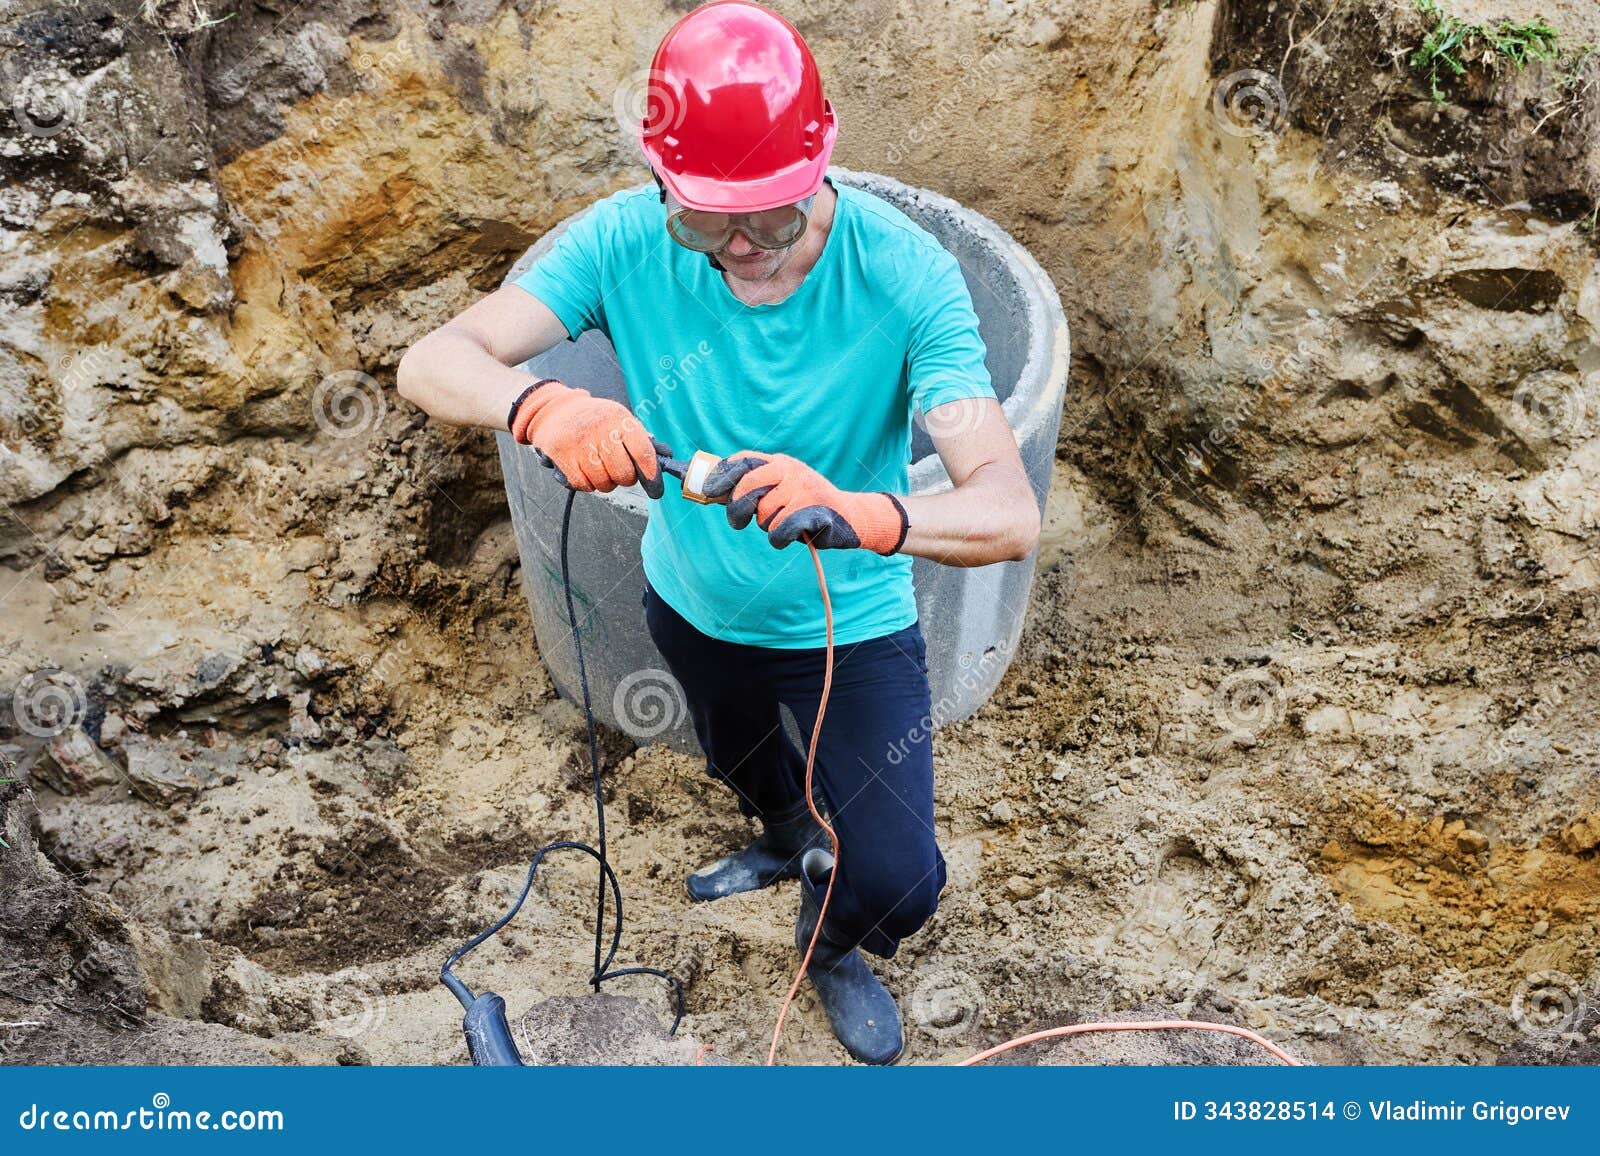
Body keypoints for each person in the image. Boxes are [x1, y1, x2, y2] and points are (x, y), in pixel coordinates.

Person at [397, 0, 1039, 1064]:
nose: (740, 246)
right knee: (741, 760)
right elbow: (433, 361)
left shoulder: (905, 275)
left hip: (849, 633)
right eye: (707, 221)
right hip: (692, 604)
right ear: (664, 187)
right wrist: (542, 405)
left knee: (898, 881)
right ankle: (784, 834)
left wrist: (865, 512)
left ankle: (833, 940)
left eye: (770, 218)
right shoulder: (619, 242)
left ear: (818, 173)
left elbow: (1006, 508)